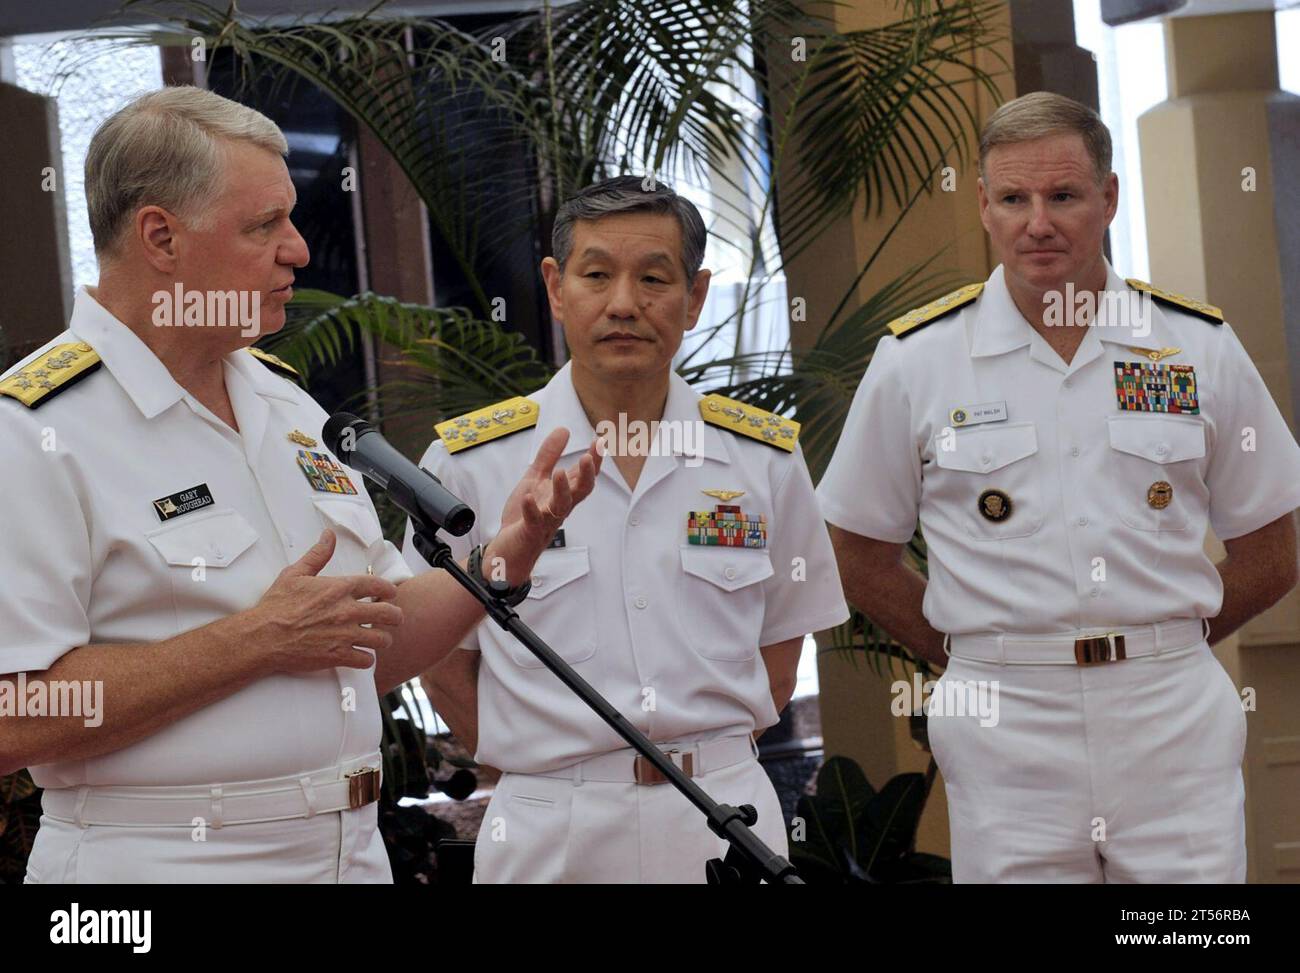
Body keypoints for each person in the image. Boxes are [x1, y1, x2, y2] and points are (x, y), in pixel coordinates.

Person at [0, 86, 599, 883]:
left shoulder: (289, 404)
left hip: (348, 854)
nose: (300, 250)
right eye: (264, 225)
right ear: (159, 236)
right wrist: (252, 640)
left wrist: (503, 559)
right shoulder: (34, 430)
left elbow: (372, 644)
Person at [817, 91, 1300, 883]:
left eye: (1064, 196)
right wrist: (975, 653)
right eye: (1014, 198)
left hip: (1171, 715)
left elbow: (1273, 553)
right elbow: (855, 552)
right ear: (982, 204)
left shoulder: (1194, 348)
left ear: (1108, 199)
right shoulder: (918, 361)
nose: (1037, 222)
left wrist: (1162, 640)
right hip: (1004, 723)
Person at [402, 176, 849, 883]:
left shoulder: (760, 455)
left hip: (725, 815)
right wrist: (530, 754)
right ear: (555, 286)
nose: (623, 304)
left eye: (653, 278)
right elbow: (438, 657)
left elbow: (782, 650)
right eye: (597, 274)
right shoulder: (471, 465)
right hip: (550, 822)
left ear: (694, 296)